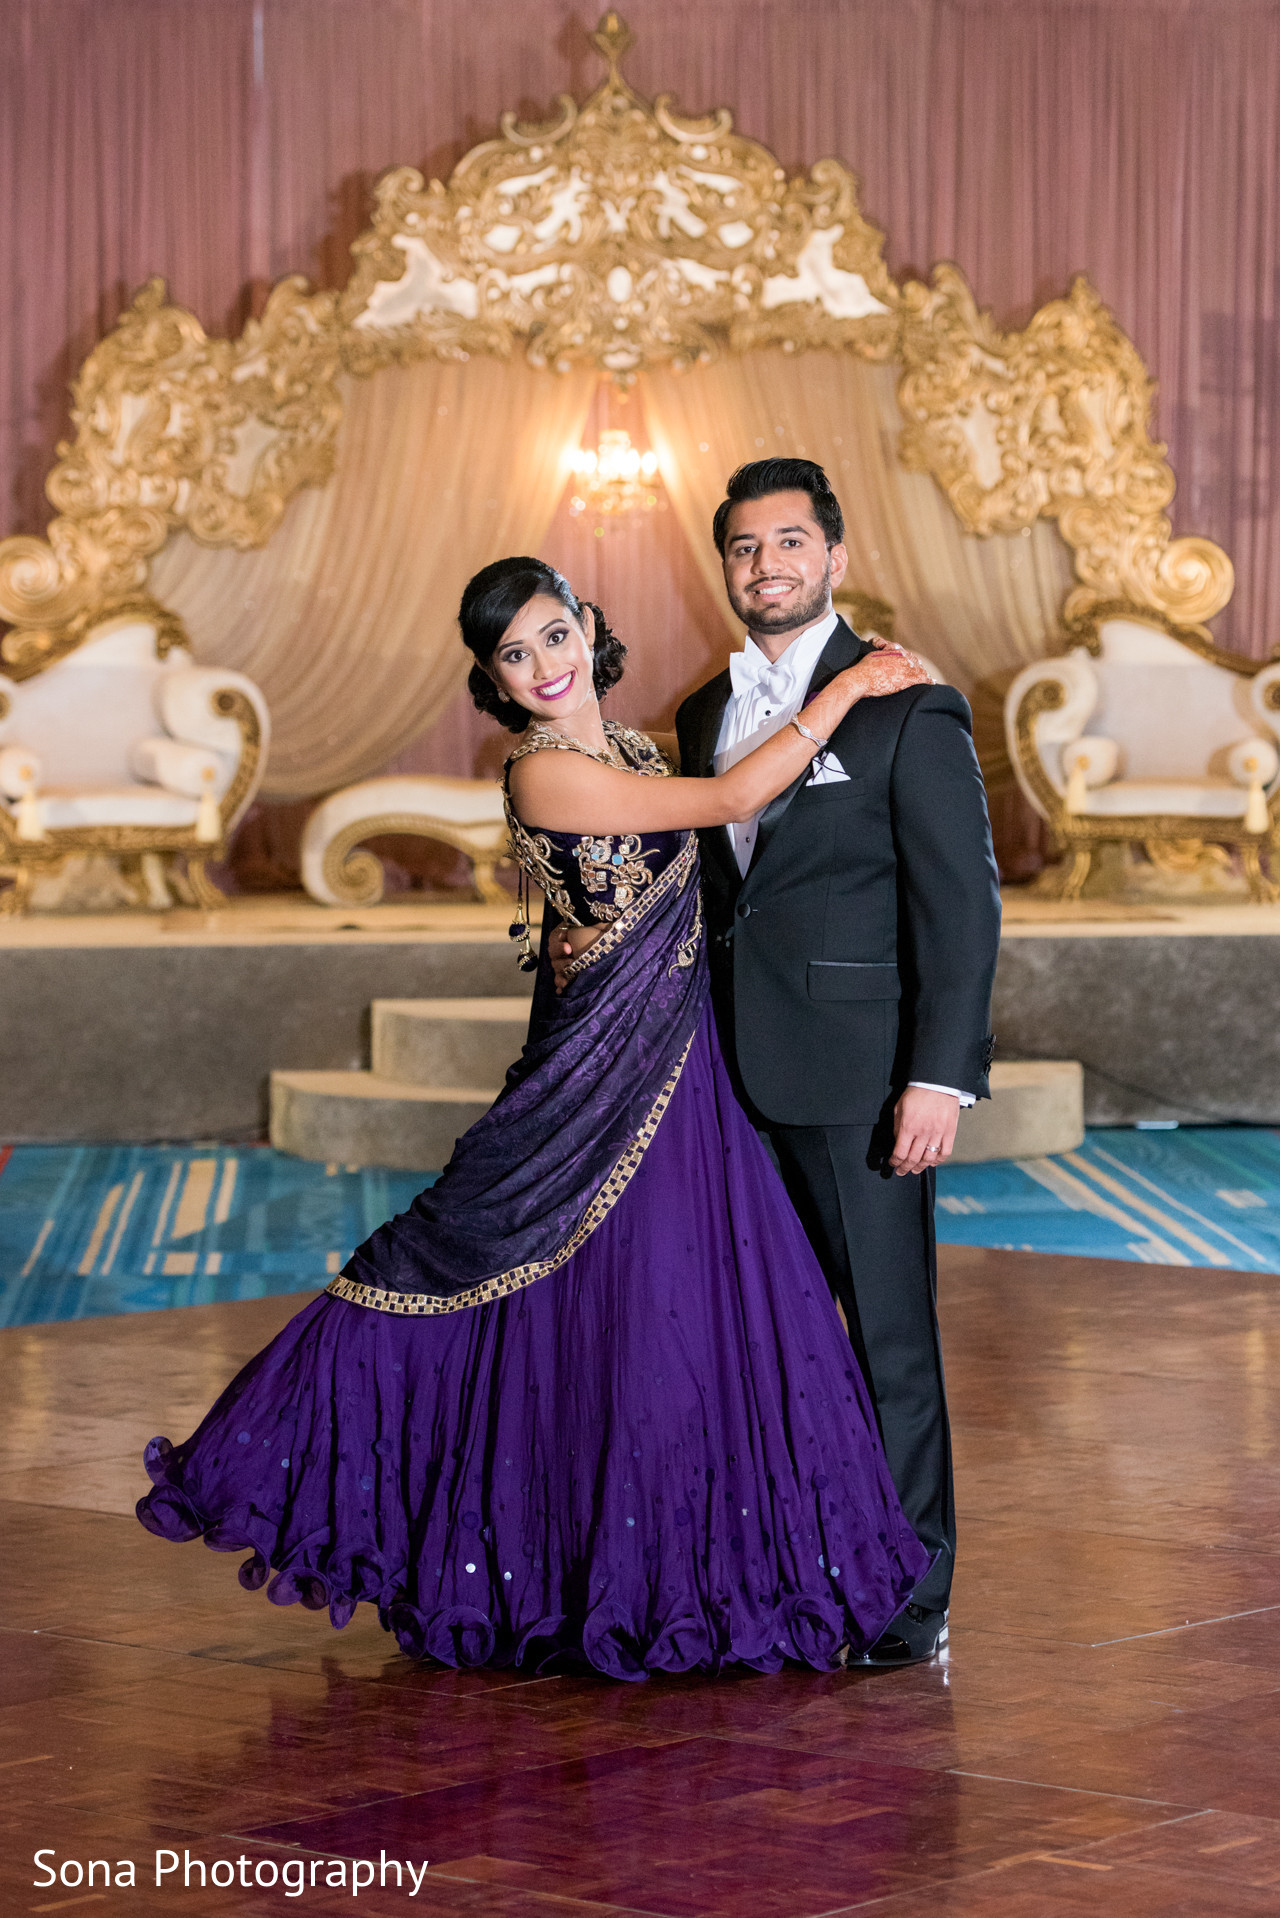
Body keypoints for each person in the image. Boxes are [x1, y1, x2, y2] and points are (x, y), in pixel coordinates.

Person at [137, 555, 937, 1681]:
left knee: (656, 1330)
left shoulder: (629, 748)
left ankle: (652, 1580)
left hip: (675, 1077)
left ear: (587, 629)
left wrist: (580, 947)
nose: (543, 667)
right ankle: (290, 1469)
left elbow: (664, 893)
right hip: (595, 1092)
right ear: (495, 681)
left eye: (553, 636)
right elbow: (724, 803)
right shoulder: (541, 771)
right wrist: (843, 693)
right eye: (514, 655)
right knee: (465, 1276)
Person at [672, 459, 1001, 1667]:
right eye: (745, 548)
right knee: (771, 1340)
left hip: (865, 1082)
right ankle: (799, 1567)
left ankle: (912, 1598)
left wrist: (938, 1074)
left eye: (789, 543)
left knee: (888, 1345)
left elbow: (959, 909)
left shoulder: (908, 706)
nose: (767, 566)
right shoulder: (701, 710)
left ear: (835, 557)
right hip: (734, 1082)